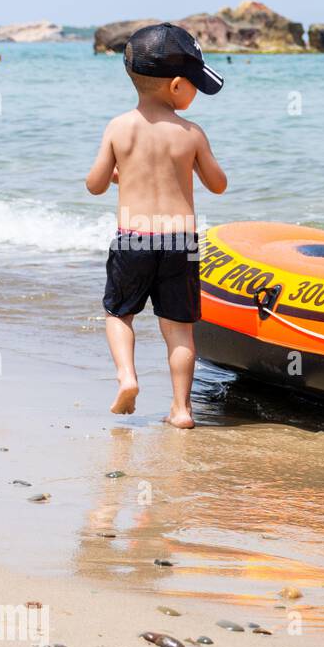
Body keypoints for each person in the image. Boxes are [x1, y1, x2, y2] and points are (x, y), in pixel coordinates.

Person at [85, 22, 227, 428]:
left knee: (119, 314)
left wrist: (119, 176)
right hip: (180, 242)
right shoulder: (191, 133)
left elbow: (95, 185)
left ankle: (127, 377)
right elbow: (218, 185)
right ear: (178, 86)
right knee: (180, 331)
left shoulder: (118, 127)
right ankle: (182, 409)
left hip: (134, 238)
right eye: (195, 85)